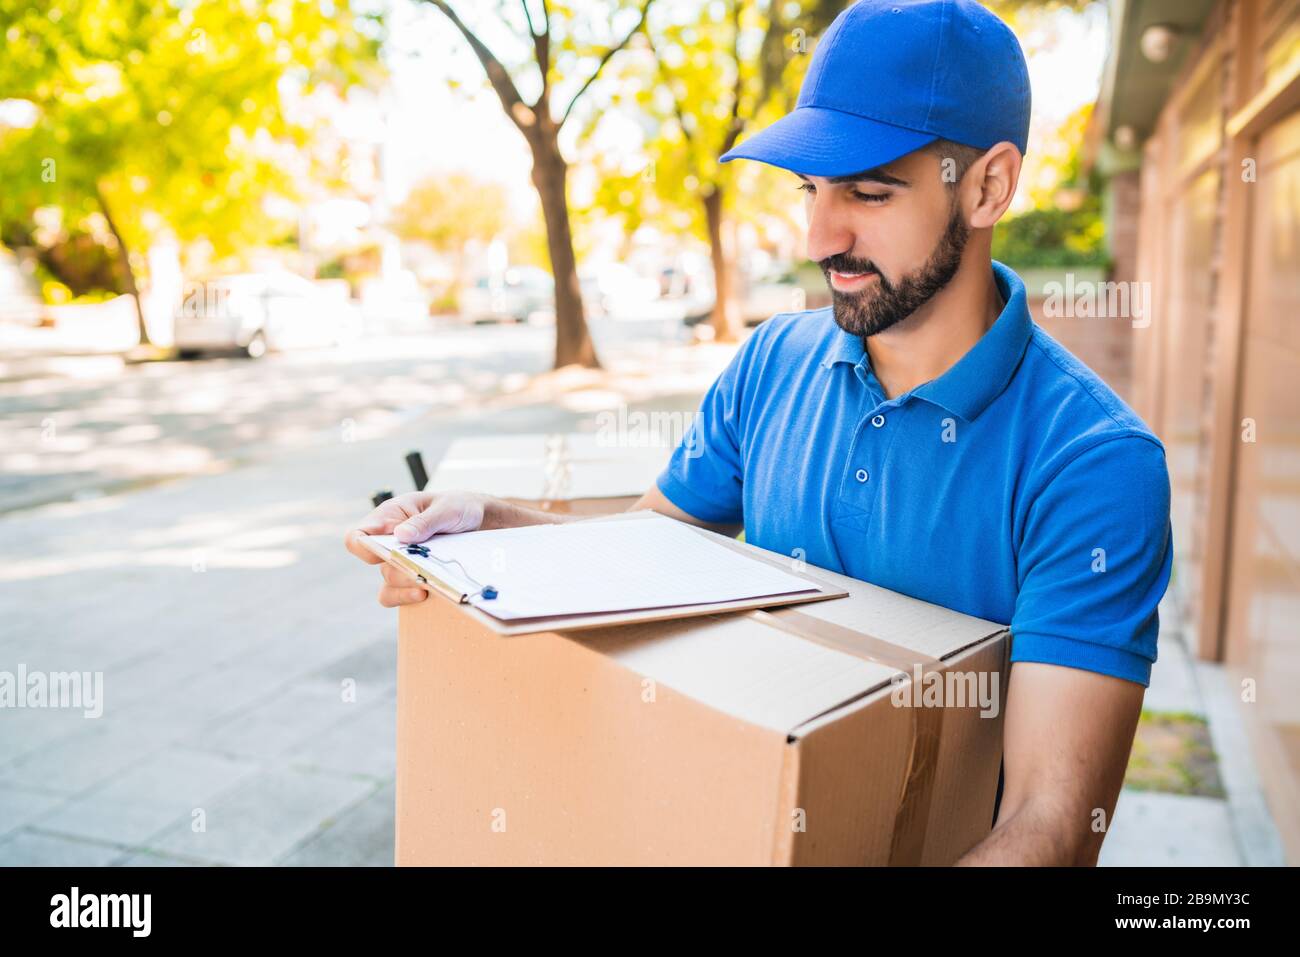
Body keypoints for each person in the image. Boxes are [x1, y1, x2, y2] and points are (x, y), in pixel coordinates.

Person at [345, 0, 1172, 866]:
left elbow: (1052, 823)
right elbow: (639, 554)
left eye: (868, 190)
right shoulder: (773, 360)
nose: (821, 235)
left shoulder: (1093, 465)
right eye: (810, 189)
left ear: (989, 187)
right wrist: (484, 531)